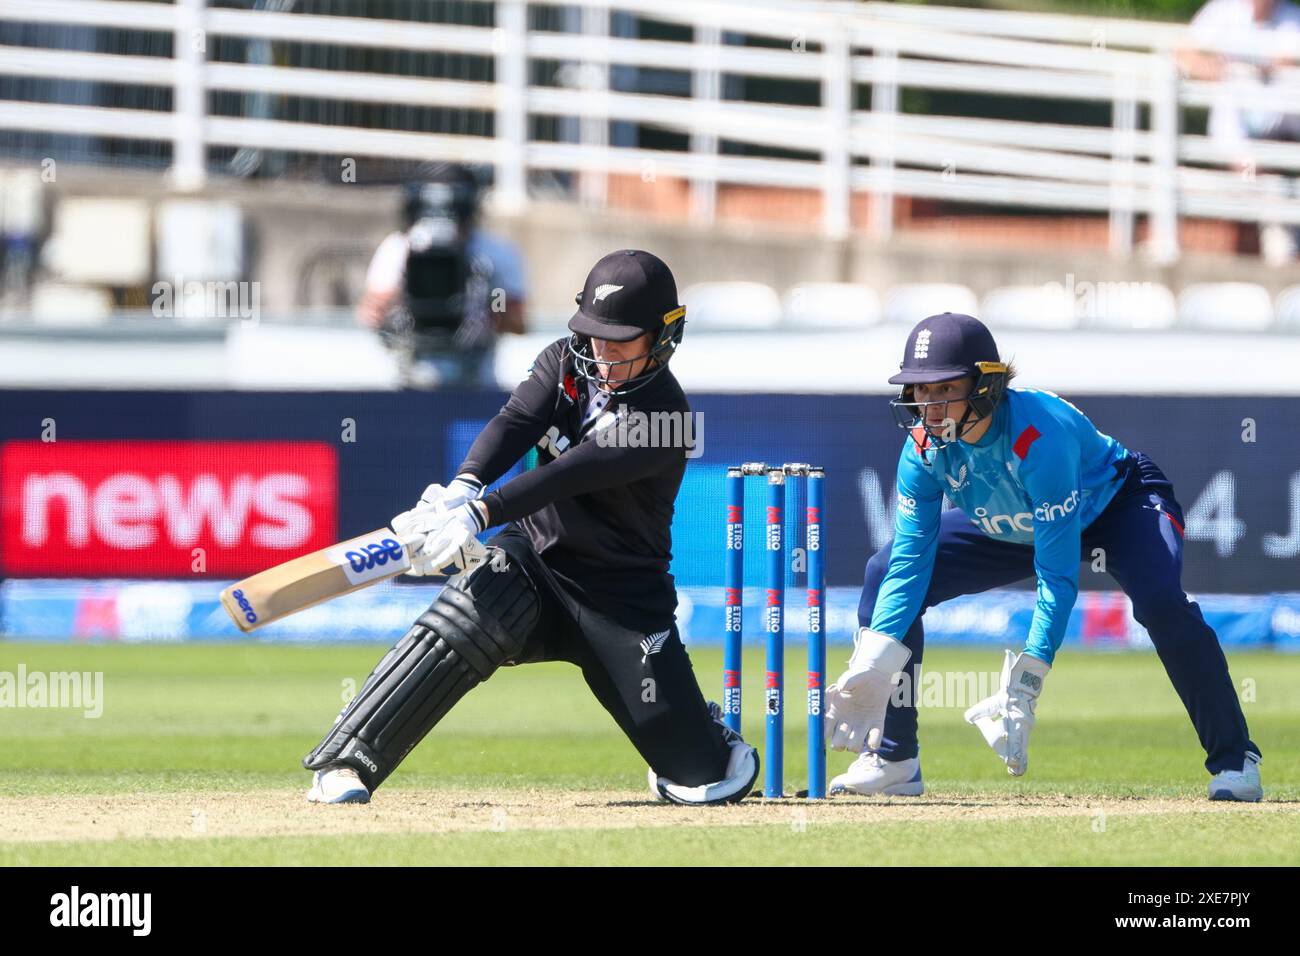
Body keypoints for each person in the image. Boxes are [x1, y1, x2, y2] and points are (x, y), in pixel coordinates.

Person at [305, 249, 759, 806]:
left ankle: (700, 732)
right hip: (537, 559)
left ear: (664, 337)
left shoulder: (665, 418)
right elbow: (517, 420)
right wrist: (463, 487)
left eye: (620, 338)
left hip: (621, 597)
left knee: (705, 777)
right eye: (594, 332)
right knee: (462, 619)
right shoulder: (563, 361)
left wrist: (479, 513)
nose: (602, 350)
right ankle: (347, 761)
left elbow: (574, 472)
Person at [825, 312, 1262, 801]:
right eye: (920, 391)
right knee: (882, 571)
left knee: (1161, 603)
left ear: (985, 385)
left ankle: (1234, 758)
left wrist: (1027, 682)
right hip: (1010, 519)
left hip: (1115, 505)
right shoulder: (924, 450)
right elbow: (909, 562)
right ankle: (893, 759)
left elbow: (1055, 578)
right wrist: (874, 664)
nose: (929, 407)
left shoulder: (1039, 439)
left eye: (944, 389)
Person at [357, 163, 528, 387]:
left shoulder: (495, 254)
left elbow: (518, 324)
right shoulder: (398, 250)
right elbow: (369, 314)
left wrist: (488, 299)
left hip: (476, 380)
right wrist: (400, 295)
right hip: (411, 376)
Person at [1177, 0, 1300, 264]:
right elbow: (1184, 52)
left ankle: (1281, 267)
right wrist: (1219, 71)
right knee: (1271, 194)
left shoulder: (1292, 19)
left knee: (1272, 193)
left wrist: (1284, 66)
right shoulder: (1223, 12)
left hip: (1278, 139)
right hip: (1236, 141)